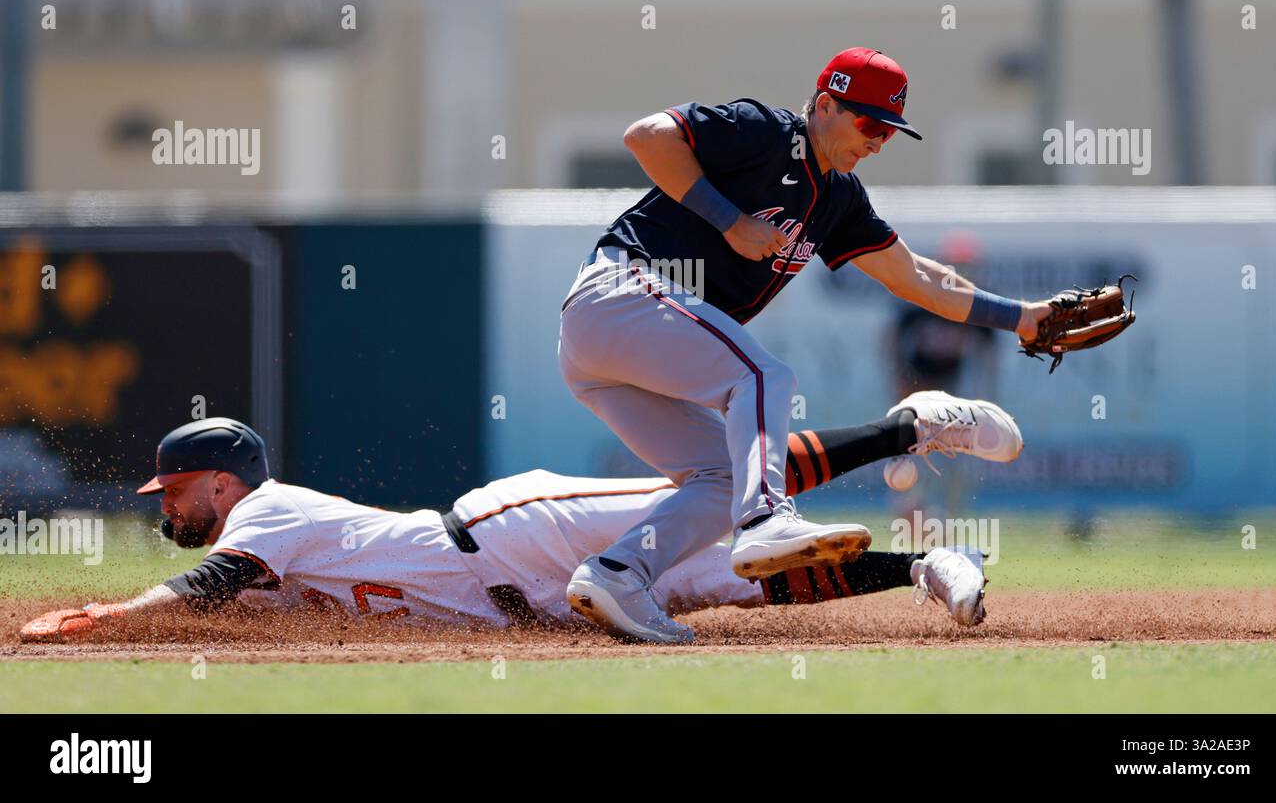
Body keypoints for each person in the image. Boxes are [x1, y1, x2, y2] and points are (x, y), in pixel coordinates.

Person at [557, 47, 1052, 642]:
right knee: (763, 377)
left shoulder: (840, 197)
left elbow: (915, 277)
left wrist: (1022, 318)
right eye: (869, 124)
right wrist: (730, 220)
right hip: (620, 290)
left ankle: (619, 573)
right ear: (825, 106)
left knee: (721, 475)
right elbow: (648, 137)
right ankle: (765, 518)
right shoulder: (765, 133)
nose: (877, 142)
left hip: (607, 359)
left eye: (889, 132)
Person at [19, 397, 1021, 645]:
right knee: (736, 578)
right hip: (542, 603)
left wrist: (113, 616)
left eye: (174, 493)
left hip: (512, 532)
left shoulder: (269, 513)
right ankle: (931, 564)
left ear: (218, 484)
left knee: (718, 480)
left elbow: (208, 585)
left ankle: (906, 424)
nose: (167, 510)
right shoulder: (267, 547)